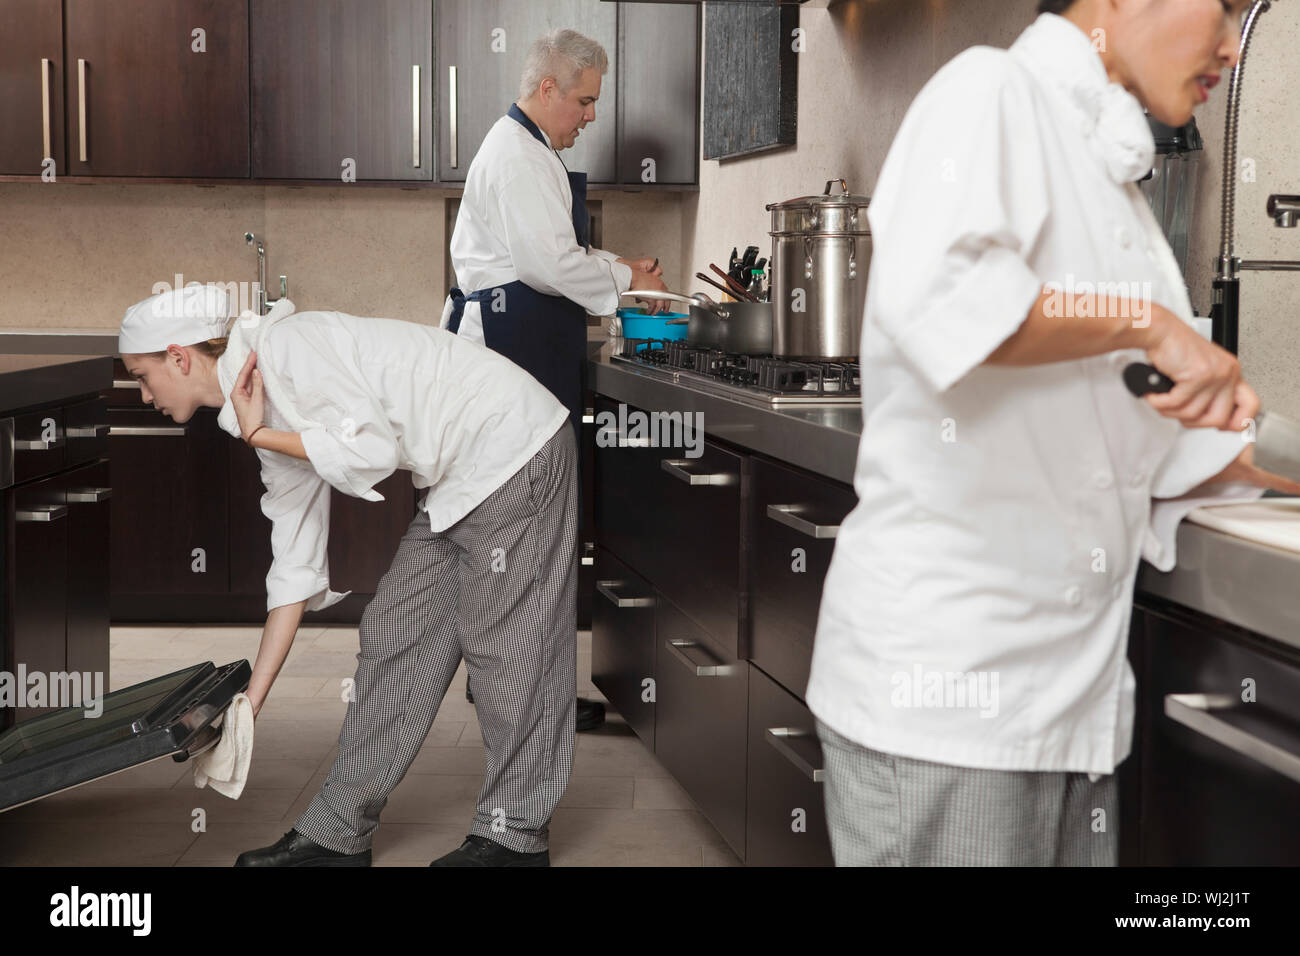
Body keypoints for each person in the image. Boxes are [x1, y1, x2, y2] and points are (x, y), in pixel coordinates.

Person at [806, 0, 1300, 866]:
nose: (1231, 42)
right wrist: (1148, 324)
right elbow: (944, 304)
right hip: (951, 704)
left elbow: (1176, 442)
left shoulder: (1117, 190)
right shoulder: (989, 91)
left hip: (1069, 711)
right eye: (1221, 7)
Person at [119, 285, 578, 867]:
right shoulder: (257, 406)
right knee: (394, 630)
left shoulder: (287, 351)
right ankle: (338, 834)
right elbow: (294, 565)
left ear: (179, 357)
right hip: (462, 475)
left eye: (142, 375)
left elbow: (372, 451)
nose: (142, 393)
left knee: (508, 652)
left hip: (516, 446)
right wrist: (248, 709)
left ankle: (514, 839)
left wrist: (262, 433)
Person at [442, 27, 668, 730]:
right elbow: (546, 267)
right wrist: (629, 279)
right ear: (547, 90)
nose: (592, 116)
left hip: (525, 350)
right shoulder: (516, 157)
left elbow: (558, 250)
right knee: (522, 536)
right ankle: (519, 693)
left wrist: (617, 264)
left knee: (526, 537)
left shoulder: (529, 152)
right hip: (513, 357)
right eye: (585, 101)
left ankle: (519, 688)